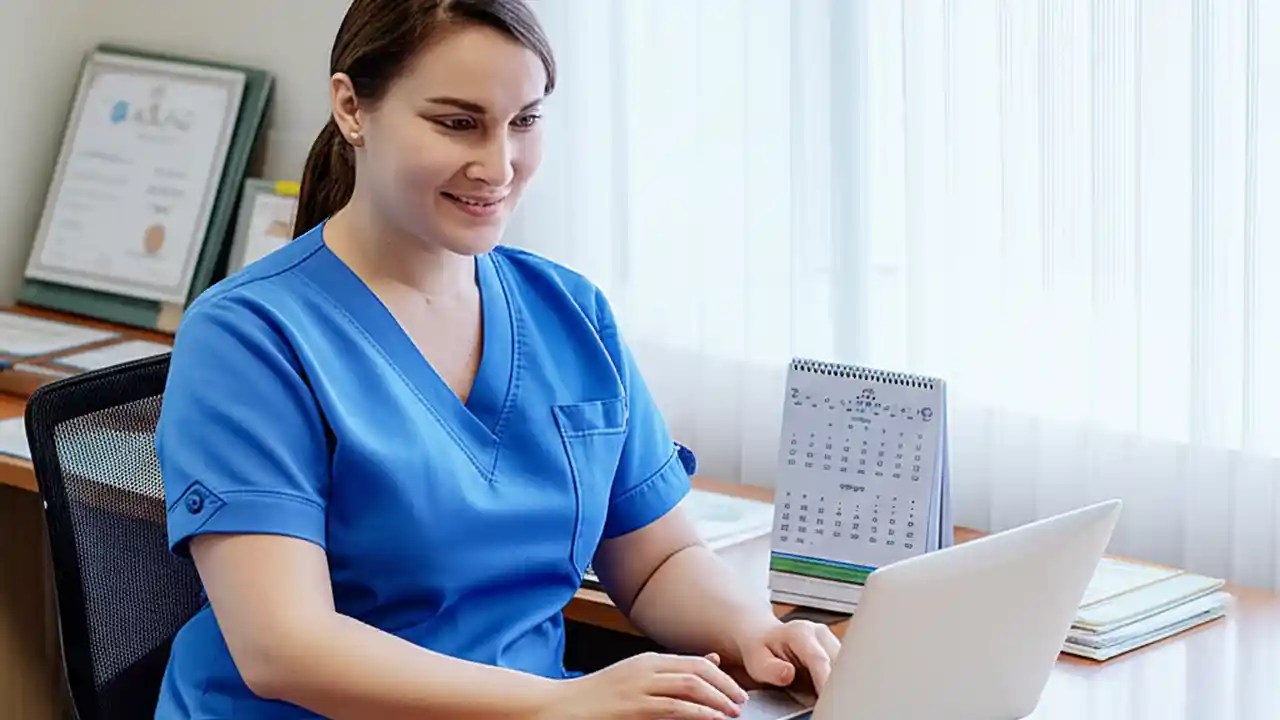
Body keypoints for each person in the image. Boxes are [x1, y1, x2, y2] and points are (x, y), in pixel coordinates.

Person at [155, 1, 839, 718]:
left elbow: (658, 560)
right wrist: (556, 705)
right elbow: (285, 649)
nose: (499, 165)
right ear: (352, 108)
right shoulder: (248, 336)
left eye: (525, 121)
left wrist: (756, 631)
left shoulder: (570, 310)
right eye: (458, 123)